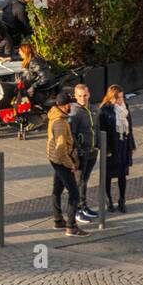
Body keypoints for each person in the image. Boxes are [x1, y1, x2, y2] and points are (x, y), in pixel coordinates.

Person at [47, 90, 87, 236]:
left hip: (54, 158)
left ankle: (58, 220)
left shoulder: (55, 115)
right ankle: (71, 226)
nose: (71, 106)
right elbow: (61, 149)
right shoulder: (60, 123)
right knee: (74, 194)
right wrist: (71, 164)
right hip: (61, 161)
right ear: (65, 105)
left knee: (57, 189)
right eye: (70, 103)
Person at [99, 85, 136, 213]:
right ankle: (109, 199)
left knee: (122, 174)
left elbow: (129, 127)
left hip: (123, 144)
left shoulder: (125, 108)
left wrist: (131, 144)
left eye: (122, 97)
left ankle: (122, 200)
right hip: (111, 147)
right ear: (111, 98)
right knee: (108, 175)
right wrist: (106, 149)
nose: (121, 100)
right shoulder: (104, 110)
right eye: (118, 98)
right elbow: (102, 132)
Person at [69, 83, 99, 224]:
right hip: (82, 153)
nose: (83, 98)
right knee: (78, 181)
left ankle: (84, 205)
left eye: (85, 95)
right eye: (80, 96)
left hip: (92, 150)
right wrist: (78, 151)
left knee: (85, 180)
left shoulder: (92, 108)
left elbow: (96, 128)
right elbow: (72, 134)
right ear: (75, 96)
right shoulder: (75, 112)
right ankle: (76, 211)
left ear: (89, 94)